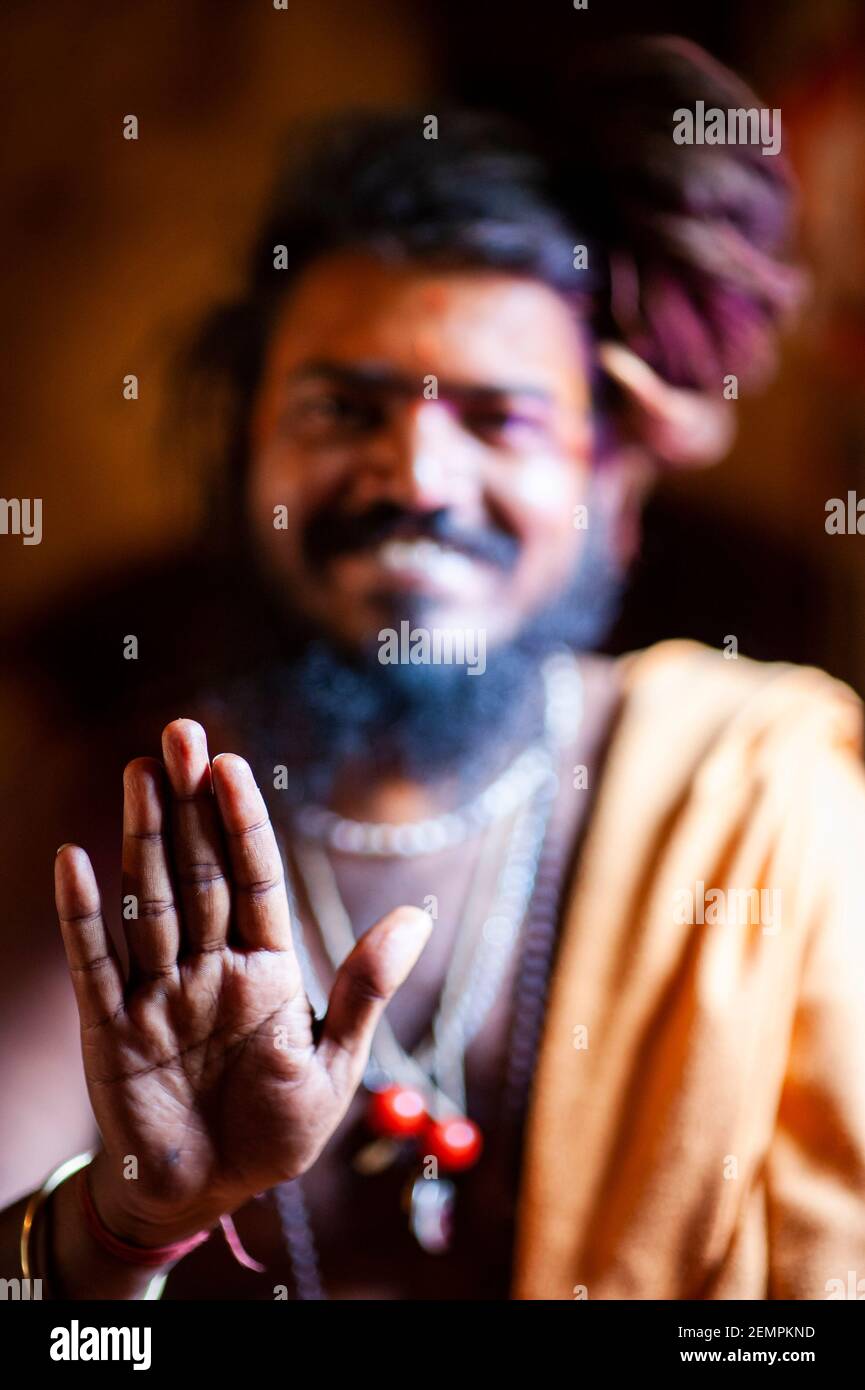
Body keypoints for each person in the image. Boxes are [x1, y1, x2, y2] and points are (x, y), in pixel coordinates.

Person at [1, 37, 864, 1301]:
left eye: (497, 415)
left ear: (606, 486)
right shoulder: (121, 820)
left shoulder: (765, 801)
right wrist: (124, 1229)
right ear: (245, 463)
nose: (414, 477)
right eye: (341, 408)